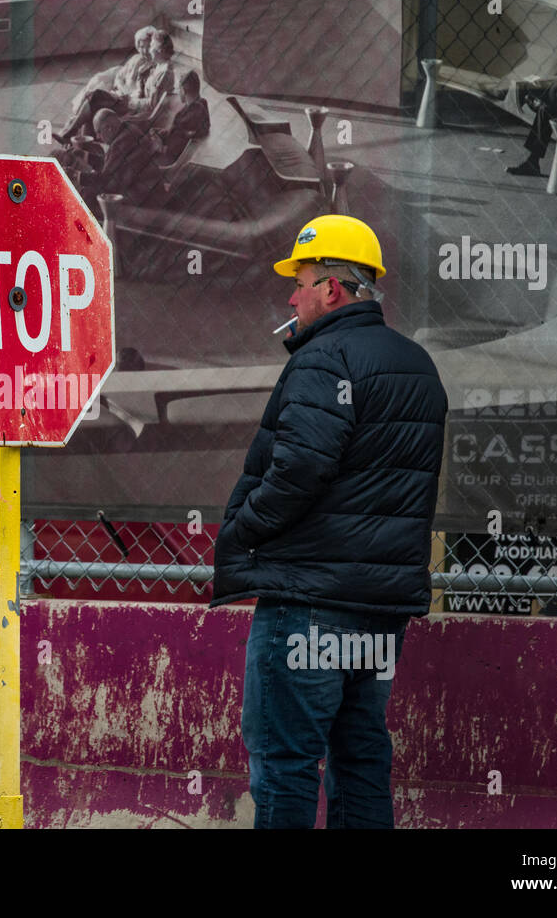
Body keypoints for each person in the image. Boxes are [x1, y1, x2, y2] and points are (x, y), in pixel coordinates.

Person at [210, 214, 448, 829]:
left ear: (332, 289)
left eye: (302, 281)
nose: (292, 296)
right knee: (362, 757)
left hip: (307, 603)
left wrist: (240, 531)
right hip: (381, 609)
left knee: (286, 761)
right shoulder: (418, 365)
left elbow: (297, 474)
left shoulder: (324, 358)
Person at [56, 30, 176, 143]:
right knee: (94, 97)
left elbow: (152, 105)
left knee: (95, 99)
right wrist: (140, 81)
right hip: (133, 101)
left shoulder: (164, 73)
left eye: (151, 47)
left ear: (160, 50)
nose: (149, 50)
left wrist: (129, 100)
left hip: (139, 111)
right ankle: (77, 139)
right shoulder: (159, 66)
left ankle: (72, 136)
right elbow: (144, 91)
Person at [72, 26, 157, 114]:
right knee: (90, 94)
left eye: (149, 47)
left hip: (128, 101)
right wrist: (122, 88)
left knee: (94, 98)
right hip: (119, 92)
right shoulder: (135, 59)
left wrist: (125, 94)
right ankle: (75, 122)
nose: (145, 51)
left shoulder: (154, 67)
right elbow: (119, 77)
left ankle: (73, 124)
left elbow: (141, 95)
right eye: (142, 47)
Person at [146, 69, 210, 164]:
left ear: (183, 91)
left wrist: (160, 147)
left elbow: (177, 146)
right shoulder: (200, 103)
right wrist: (167, 132)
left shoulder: (192, 114)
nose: (178, 92)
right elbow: (182, 133)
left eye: (178, 89)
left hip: (168, 159)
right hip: (170, 147)